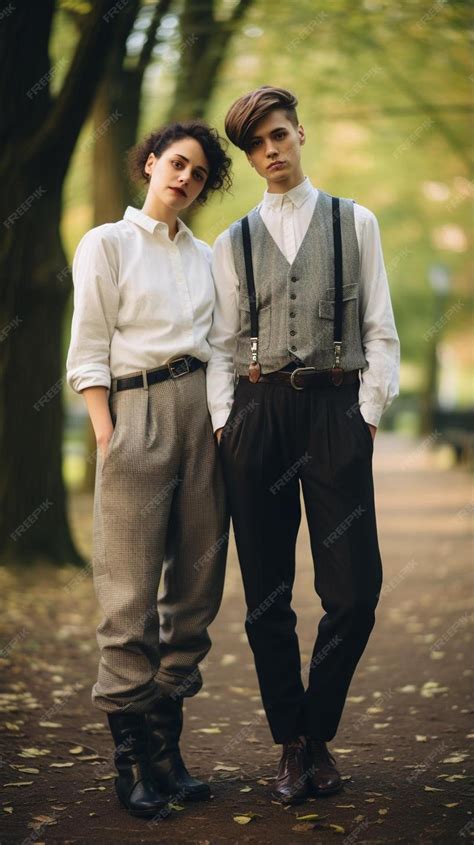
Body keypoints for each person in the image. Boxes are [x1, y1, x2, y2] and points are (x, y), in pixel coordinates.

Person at [205, 86, 400, 804]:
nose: (272, 151)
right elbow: (221, 347)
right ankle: (294, 743)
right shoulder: (233, 243)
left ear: (301, 133)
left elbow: (380, 328)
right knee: (267, 597)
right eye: (257, 145)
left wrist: (367, 415)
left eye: (280, 135)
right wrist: (227, 426)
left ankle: (316, 729)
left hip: (333, 411)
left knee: (354, 591)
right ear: (249, 156)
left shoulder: (357, 224)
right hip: (256, 420)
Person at [66, 121, 232, 818]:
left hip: (205, 414)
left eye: (199, 173)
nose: (185, 178)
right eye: (177, 163)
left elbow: (223, 342)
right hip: (135, 413)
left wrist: (224, 427)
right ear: (150, 163)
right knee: (129, 593)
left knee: (196, 588)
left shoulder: (209, 258)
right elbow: (89, 346)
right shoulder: (106, 244)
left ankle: (166, 749)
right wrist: (108, 433)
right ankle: (130, 759)